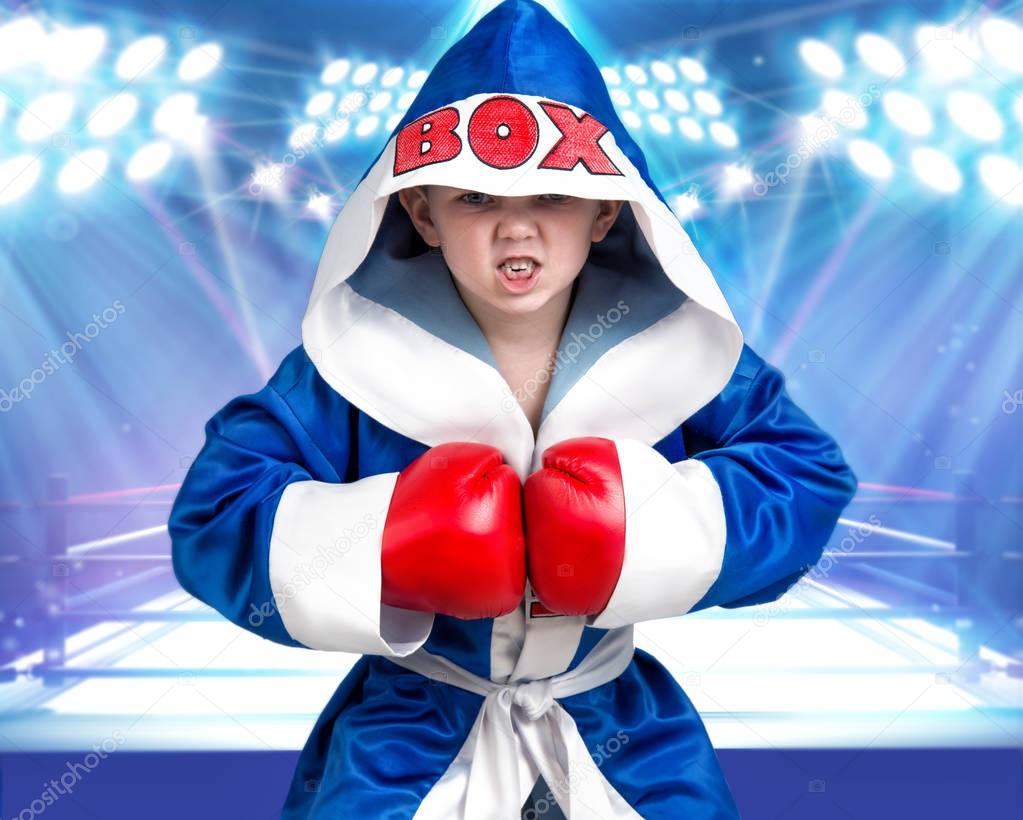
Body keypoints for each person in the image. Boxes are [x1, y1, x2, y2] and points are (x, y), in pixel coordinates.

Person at [168, 1, 859, 817]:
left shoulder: (685, 345)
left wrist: (657, 530)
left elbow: (802, 476)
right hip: (406, 731)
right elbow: (215, 513)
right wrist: (386, 544)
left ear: (607, 210)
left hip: (621, 729)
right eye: (475, 201)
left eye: (553, 198)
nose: (515, 231)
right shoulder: (345, 361)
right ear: (420, 211)